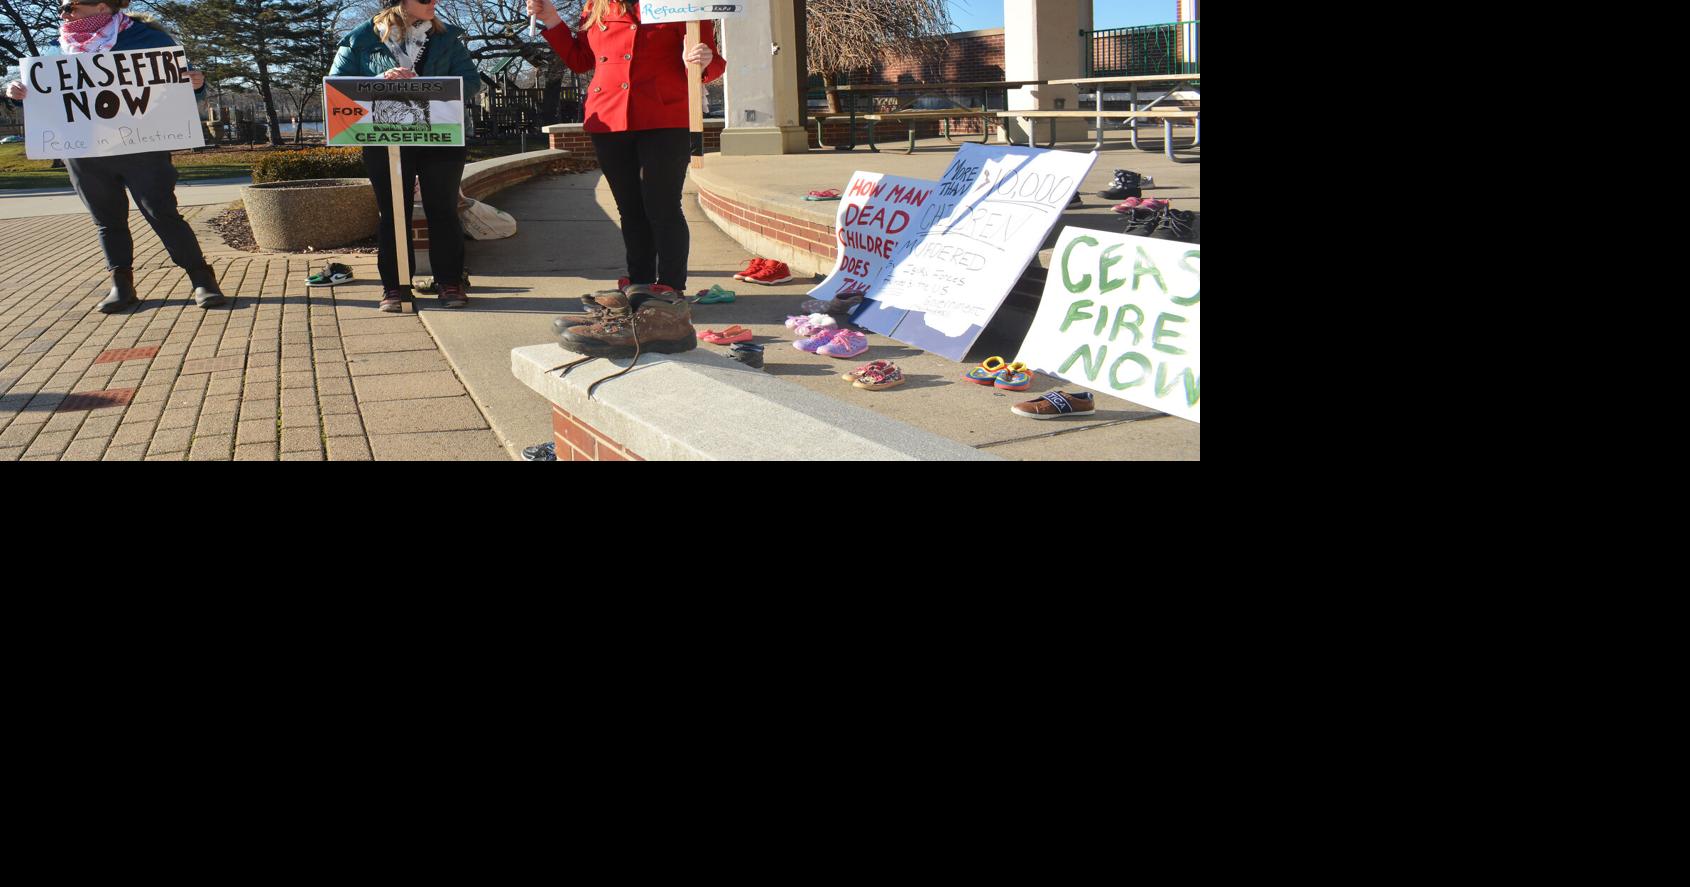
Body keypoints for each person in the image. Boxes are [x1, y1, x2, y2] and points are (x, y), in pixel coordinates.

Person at [527, 0, 726, 357]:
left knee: (662, 206)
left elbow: (709, 62)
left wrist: (705, 61)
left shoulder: (682, 4)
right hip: (609, 116)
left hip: (665, 115)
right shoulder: (598, 6)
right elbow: (580, 59)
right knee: (630, 209)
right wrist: (552, 20)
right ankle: (638, 290)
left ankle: (668, 296)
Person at [3, 0, 223, 313]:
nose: (64, 14)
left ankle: (202, 278)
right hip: (84, 151)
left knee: (161, 212)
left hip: (141, 146)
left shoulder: (148, 39)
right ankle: (122, 284)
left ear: (102, 6)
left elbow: (177, 85)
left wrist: (197, 86)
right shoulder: (55, 49)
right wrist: (20, 96)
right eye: (62, 9)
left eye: (71, 7)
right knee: (107, 219)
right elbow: (46, 99)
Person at [329, 0, 481, 311]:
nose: (434, 3)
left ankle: (449, 282)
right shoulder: (360, 39)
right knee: (393, 213)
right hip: (385, 139)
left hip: (441, 137)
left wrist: (424, 86)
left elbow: (472, 82)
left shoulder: (447, 37)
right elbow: (337, 87)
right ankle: (395, 288)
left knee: (443, 209)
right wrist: (379, 81)